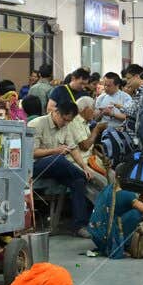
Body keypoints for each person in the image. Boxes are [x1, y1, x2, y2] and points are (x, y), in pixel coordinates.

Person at [29, 98, 95, 236]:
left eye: (69, 121)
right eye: (64, 120)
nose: (66, 124)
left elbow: (73, 148)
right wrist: (55, 151)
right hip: (36, 167)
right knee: (59, 159)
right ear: (56, 113)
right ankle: (82, 175)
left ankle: (79, 226)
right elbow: (33, 153)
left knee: (78, 181)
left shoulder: (66, 126)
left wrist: (84, 167)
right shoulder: (36, 124)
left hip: (56, 166)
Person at [87, 170, 143, 259]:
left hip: (100, 237)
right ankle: (125, 245)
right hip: (111, 237)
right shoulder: (127, 194)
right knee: (135, 213)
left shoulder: (109, 188)